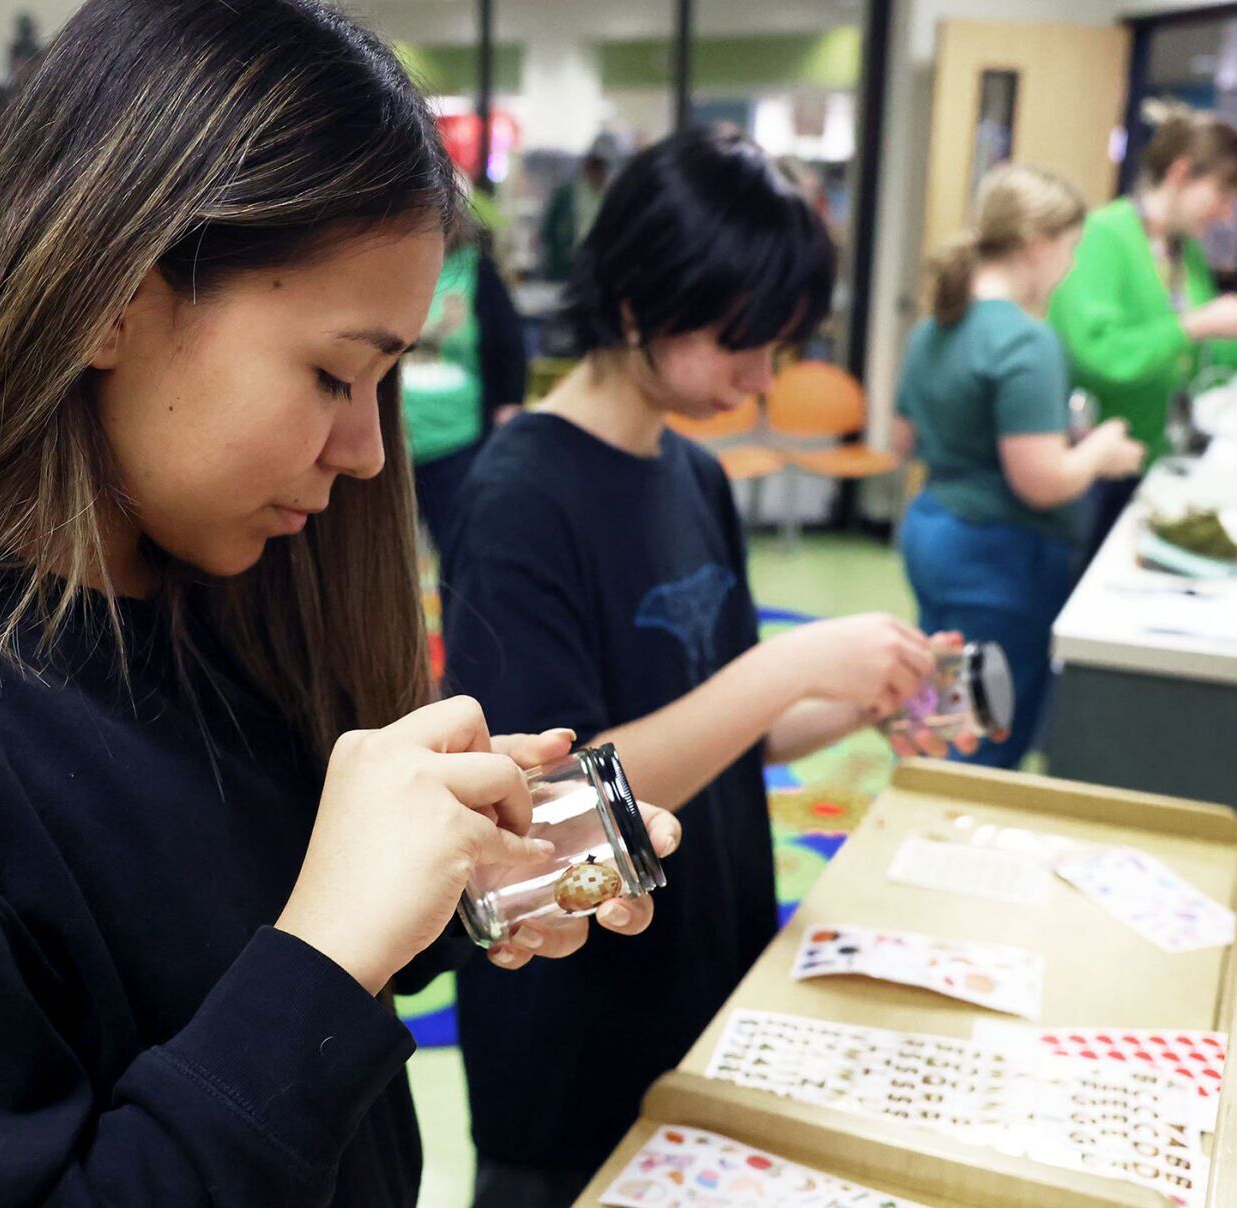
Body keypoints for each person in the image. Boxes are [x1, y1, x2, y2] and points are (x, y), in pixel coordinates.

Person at [0, 4, 680, 1204]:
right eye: (333, 372)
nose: (371, 452)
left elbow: (199, 966)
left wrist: (444, 881)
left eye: (385, 382)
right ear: (109, 298)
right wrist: (330, 953)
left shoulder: (206, 599)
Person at [442, 127, 949, 1208]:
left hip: (701, 980)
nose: (761, 378)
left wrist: (857, 702)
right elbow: (556, 811)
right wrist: (793, 663)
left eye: (781, 346)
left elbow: (728, 728)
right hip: (575, 1037)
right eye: (740, 343)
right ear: (634, 305)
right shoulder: (519, 497)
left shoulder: (693, 475)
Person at [895, 164, 1145, 770]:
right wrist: (1100, 451)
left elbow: (905, 439)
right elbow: (1041, 482)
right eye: (1071, 250)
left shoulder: (933, 329)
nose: (1070, 267)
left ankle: (927, 820)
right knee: (984, 730)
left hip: (935, 531)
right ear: (1038, 246)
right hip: (998, 557)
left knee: (944, 707)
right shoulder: (1025, 341)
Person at [1048, 100, 1237, 557]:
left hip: (1153, 460)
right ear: (1180, 173)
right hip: (1094, 466)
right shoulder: (1103, 236)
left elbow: (1206, 358)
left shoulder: (1181, 252)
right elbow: (1098, 355)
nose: (1226, 213)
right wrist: (1193, 324)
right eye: (1222, 192)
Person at [401, 234, 527, 559]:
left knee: (463, 553)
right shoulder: (389, 262)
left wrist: (508, 406)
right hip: (393, 443)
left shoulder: (476, 269)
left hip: (458, 441)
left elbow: (508, 344)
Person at [540, 134, 618, 281]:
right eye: (595, 167)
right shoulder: (566, 195)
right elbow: (548, 232)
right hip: (566, 267)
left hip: (595, 267)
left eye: (601, 168)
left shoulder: (607, 197)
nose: (598, 173)